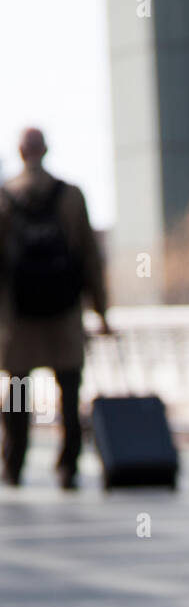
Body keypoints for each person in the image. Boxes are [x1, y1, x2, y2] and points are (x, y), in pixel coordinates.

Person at [0, 127, 111, 489]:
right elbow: (90, 257)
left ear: (19, 152)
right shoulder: (71, 195)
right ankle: (68, 465)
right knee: (70, 390)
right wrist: (102, 310)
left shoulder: (5, 198)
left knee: (17, 389)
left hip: (19, 318)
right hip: (64, 313)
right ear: (45, 151)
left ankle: (14, 461)